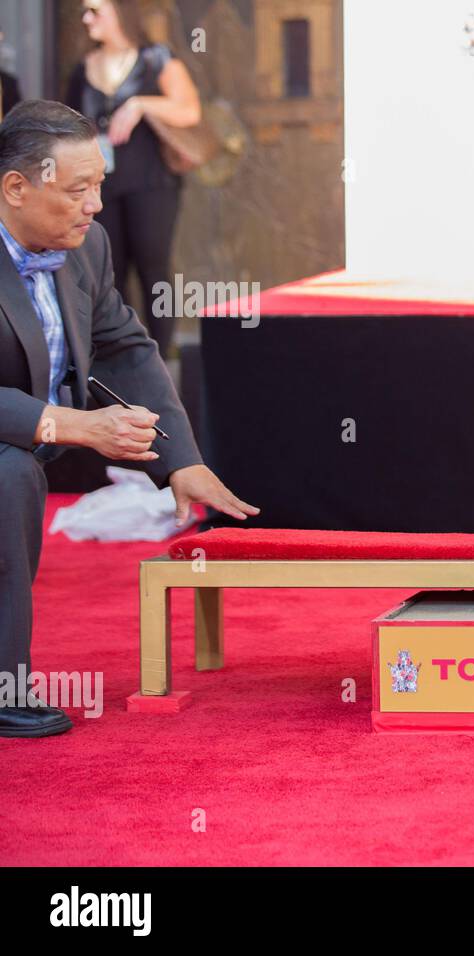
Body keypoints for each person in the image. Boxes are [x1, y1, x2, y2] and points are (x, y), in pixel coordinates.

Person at [0, 101, 256, 738]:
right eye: (78, 190)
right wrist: (74, 425)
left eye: (100, 187)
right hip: (17, 442)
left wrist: (181, 463)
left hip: (25, 432)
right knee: (10, 475)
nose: (94, 205)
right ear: (15, 188)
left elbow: (124, 348)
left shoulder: (87, 246)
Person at [64, 0, 200, 359]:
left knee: (153, 268)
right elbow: (69, 129)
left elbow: (190, 110)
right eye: (84, 11)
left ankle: (164, 358)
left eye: (95, 10)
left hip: (152, 183)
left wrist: (141, 103)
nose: (86, 19)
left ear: (119, 12)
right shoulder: (83, 69)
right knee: (109, 271)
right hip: (101, 187)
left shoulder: (156, 59)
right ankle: (118, 359)